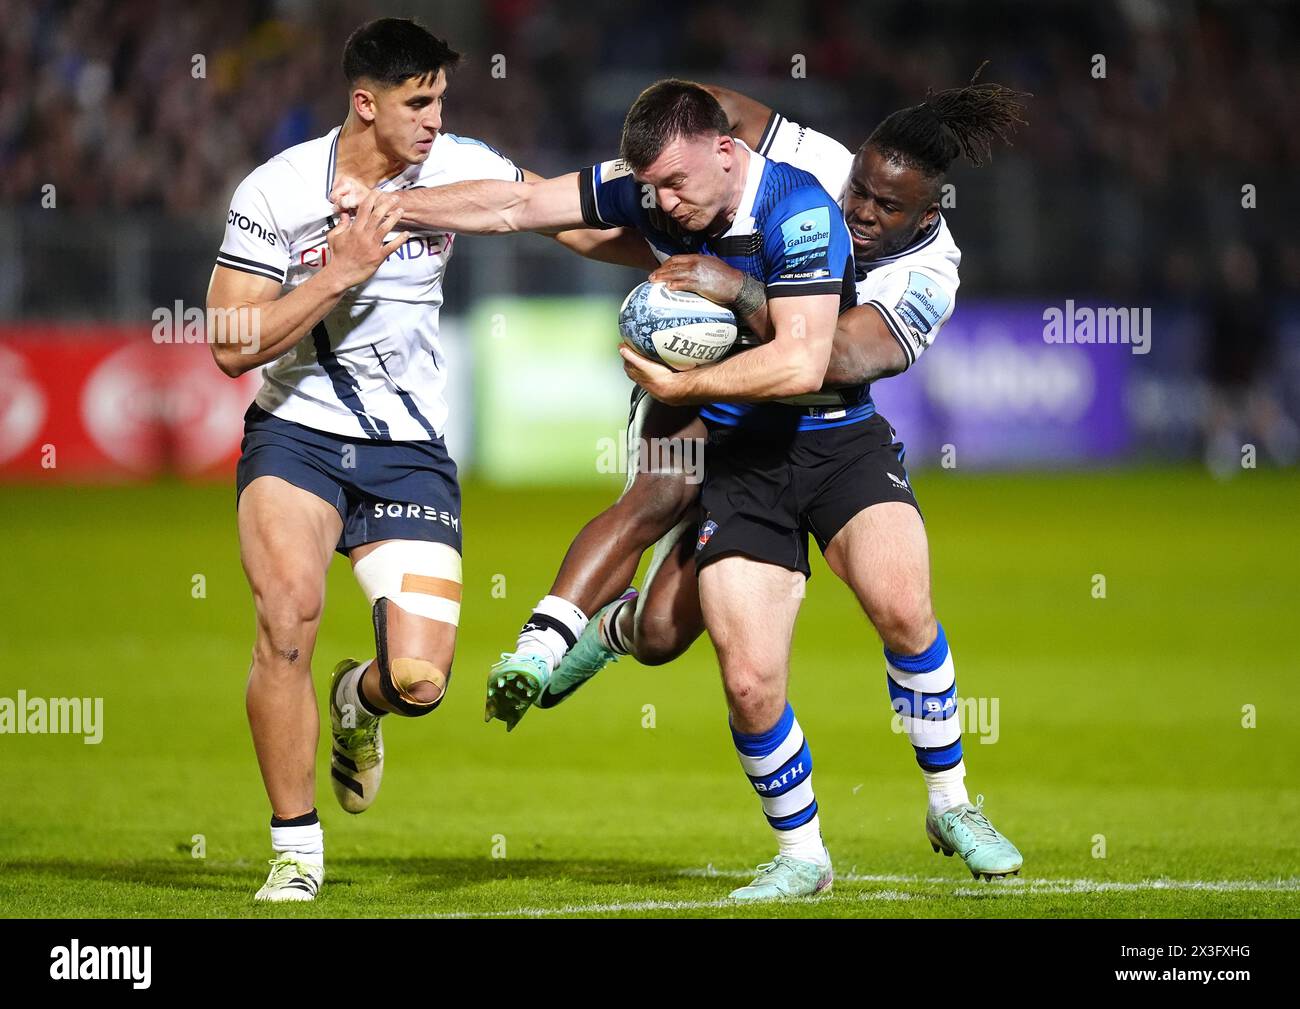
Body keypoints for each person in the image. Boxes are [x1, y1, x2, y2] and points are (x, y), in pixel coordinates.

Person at [333, 77, 1023, 900]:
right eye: (859, 193)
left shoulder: (926, 275)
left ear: (926, 215)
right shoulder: (813, 169)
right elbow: (712, 109)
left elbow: (830, 359)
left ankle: (951, 803)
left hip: (833, 436)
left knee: (904, 607)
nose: (860, 213)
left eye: (884, 207)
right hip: (738, 448)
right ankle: (801, 852)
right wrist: (675, 141)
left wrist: (728, 294)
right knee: (703, 653)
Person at [208, 17, 649, 903]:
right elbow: (227, 342)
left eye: (442, 98)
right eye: (418, 102)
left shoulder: (457, 165)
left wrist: (677, 256)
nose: (435, 119)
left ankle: (355, 704)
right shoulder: (277, 189)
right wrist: (339, 273)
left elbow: (558, 215)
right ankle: (296, 851)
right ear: (365, 104)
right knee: (287, 617)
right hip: (296, 435)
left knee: (418, 683)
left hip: (409, 455)